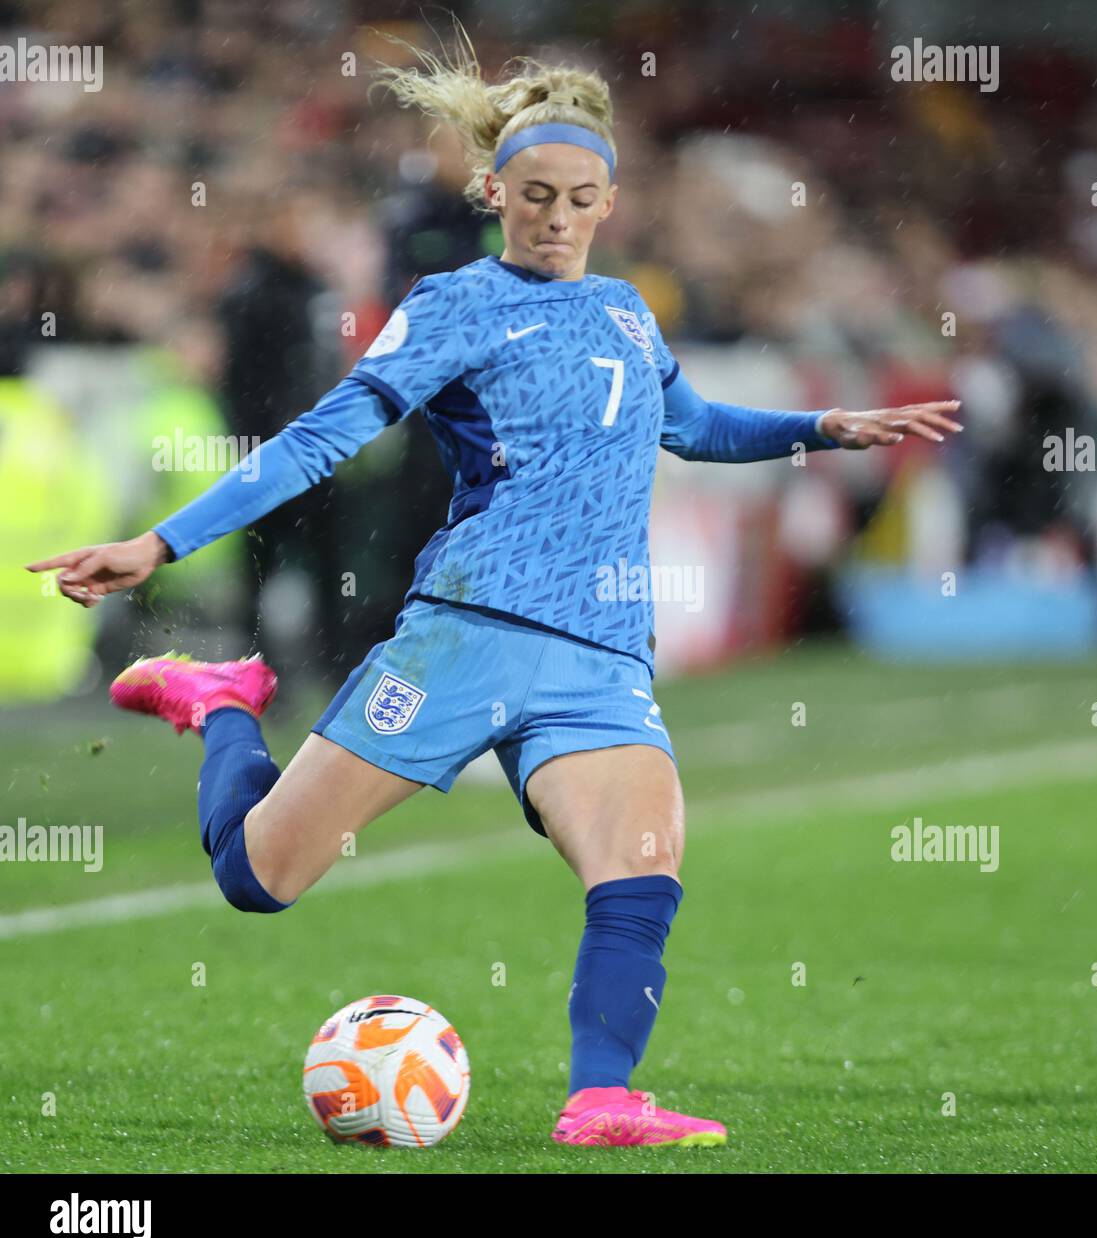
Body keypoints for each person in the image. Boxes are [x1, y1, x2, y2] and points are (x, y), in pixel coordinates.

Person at [27, 36, 961, 1148]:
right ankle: (223, 703)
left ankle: (601, 1098)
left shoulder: (624, 311)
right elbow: (327, 436)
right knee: (257, 878)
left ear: (609, 202)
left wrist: (820, 427)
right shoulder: (457, 303)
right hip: (469, 631)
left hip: (603, 654)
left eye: (576, 199)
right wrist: (162, 543)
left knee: (642, 864)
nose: (555, 218)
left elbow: (695, 426)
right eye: (532, 197)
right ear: (492, 193)